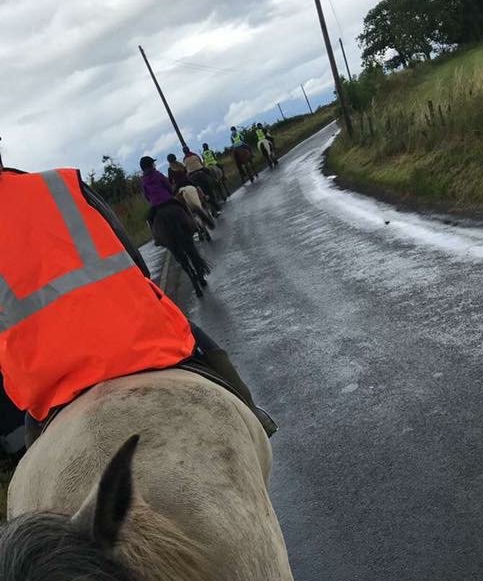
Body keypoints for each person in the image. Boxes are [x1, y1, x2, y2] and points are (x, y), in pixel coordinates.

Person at [0, 165, 276, 444]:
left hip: (48, 373)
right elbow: (133, 256)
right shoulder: (61, 183)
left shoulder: (148, 181)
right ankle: (252, 413)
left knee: (32, 449)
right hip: (132, 329)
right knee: (203, 344)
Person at [140, 156, 210, 296]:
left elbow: (147, 196)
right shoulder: (158, 175)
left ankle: (157, 238)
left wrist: (154, 200)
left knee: (149, 219)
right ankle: (194, 225)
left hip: (157, 206)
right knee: (184, 209)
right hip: (168, 201)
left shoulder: (143, 181)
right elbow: (168, 187)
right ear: (151, 165)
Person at [180, 147, 222, 216]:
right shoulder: (195, 155)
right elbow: (201, 163)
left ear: (184, 152)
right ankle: (216, 180)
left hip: (192, 176)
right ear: (189, 149)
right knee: (209, 179)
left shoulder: (184, 159)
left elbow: (186, 169)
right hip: (201, 172)